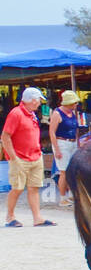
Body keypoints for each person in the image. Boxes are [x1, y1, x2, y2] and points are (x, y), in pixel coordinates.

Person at [3, 88, 54, 227]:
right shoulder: (16, 113)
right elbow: (5, 136)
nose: (39, 103)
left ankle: (37, 218)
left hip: (35, 156)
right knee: (17, 188)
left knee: (34, 187)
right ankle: (10, 217)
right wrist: (13, 158)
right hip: (19, 157)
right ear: (33, 100)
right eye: (39, 100)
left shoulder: (31, 114)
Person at [50, 90, 84, 207]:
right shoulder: (57, 114)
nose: (76, 105)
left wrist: (77, 142)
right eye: (74, 103)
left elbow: (76, 129)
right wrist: (57, 149)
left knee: (73, 170)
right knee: (63, 171)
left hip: (72, 142)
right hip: (62, 143)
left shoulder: (72, 113)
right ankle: (63, 197)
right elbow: (52, 132)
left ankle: (71, 195)